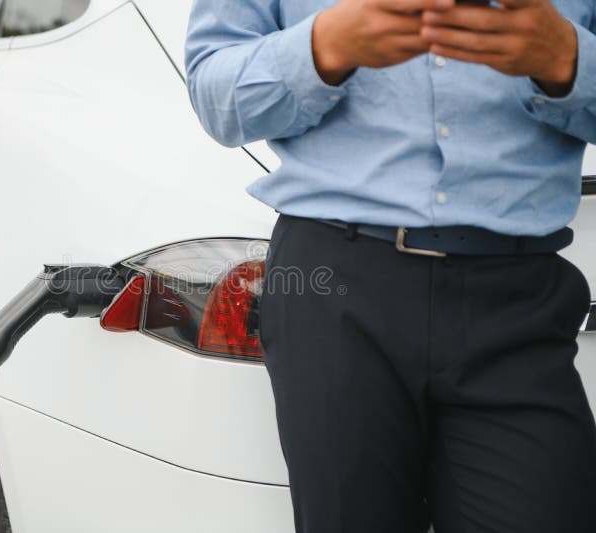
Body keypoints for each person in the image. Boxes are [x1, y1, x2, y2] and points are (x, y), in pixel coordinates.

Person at [185, 0, 596, 532]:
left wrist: (568, 60)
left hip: (518, 302)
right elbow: (216, 100)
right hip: (336, 293)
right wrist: (321, 48)